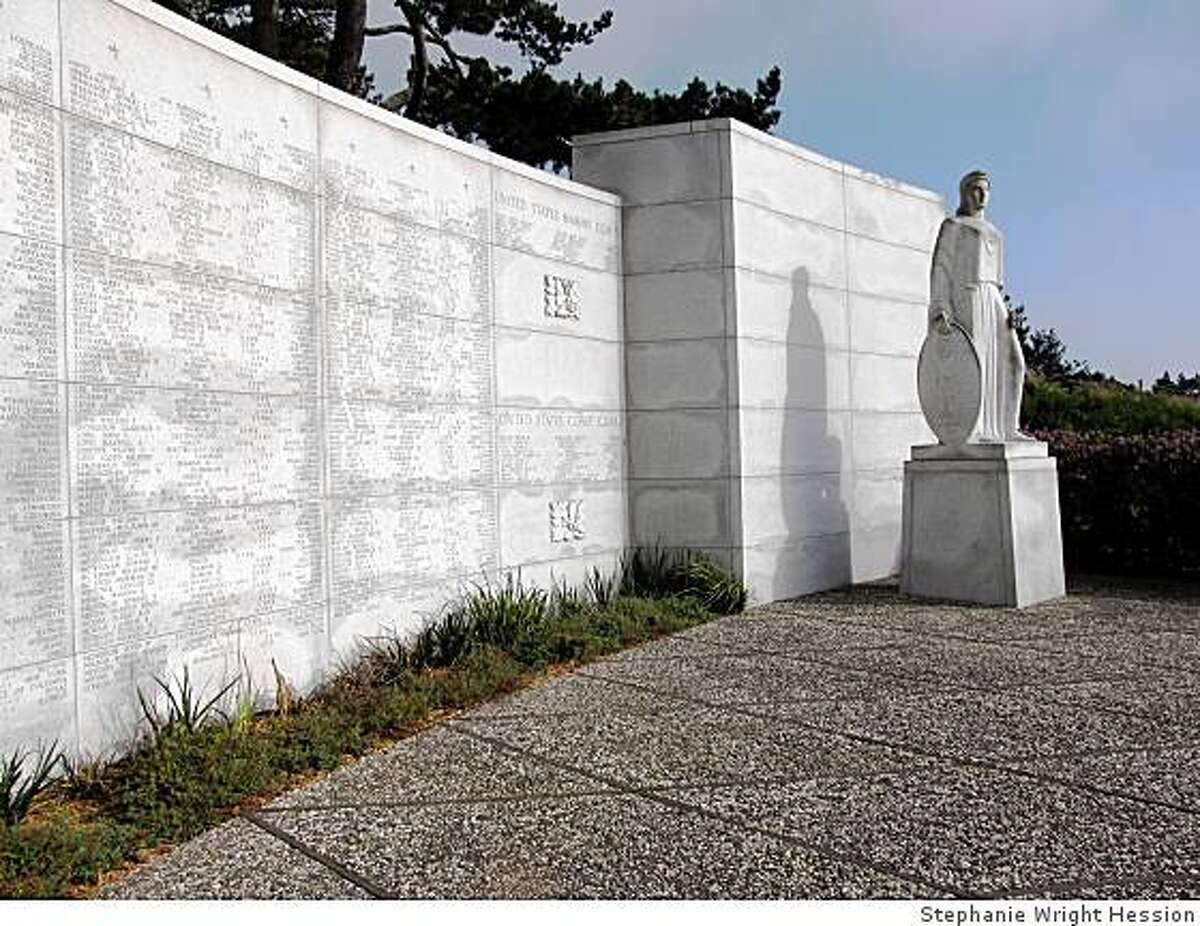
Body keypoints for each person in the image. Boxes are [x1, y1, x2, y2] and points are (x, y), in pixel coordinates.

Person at [928, 170, 1028, 442]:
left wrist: (1005, 310)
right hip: (967, 295)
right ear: (964, 192)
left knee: (1014, 362)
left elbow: (998, 282)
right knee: (974, 364)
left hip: (992, 297)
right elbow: (941, 268)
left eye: (986, 189)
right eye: (975, 189)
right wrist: (940, 305)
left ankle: (1008, 427)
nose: (981, 195)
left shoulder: (995, 232)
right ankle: (972, 428)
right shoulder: (954, 225)